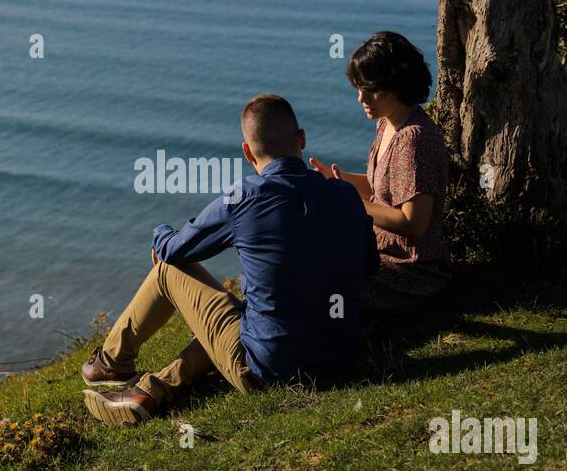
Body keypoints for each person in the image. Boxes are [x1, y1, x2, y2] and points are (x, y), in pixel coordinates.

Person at [81, 94, 379, 426]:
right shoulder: (346, 195)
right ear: (302, 139)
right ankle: (150, 392)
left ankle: (111, 363)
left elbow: (174, 250)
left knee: (168, 271)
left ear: (248, 152)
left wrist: (160, 233)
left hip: (268, 372)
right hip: (341, 356)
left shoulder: (244, 198)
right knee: (252, 314)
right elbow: (370, 265)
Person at [309, 31, 451, 327]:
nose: (361, 98)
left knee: (317, 285)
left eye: (371, 89)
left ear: (397, 84)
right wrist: (337, 182)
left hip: (411, 269)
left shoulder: (414, 139)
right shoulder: (388, 124)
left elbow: (413, 225)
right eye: (359, 88)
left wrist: (350, 201)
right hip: (380, 251)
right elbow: (383, 190)